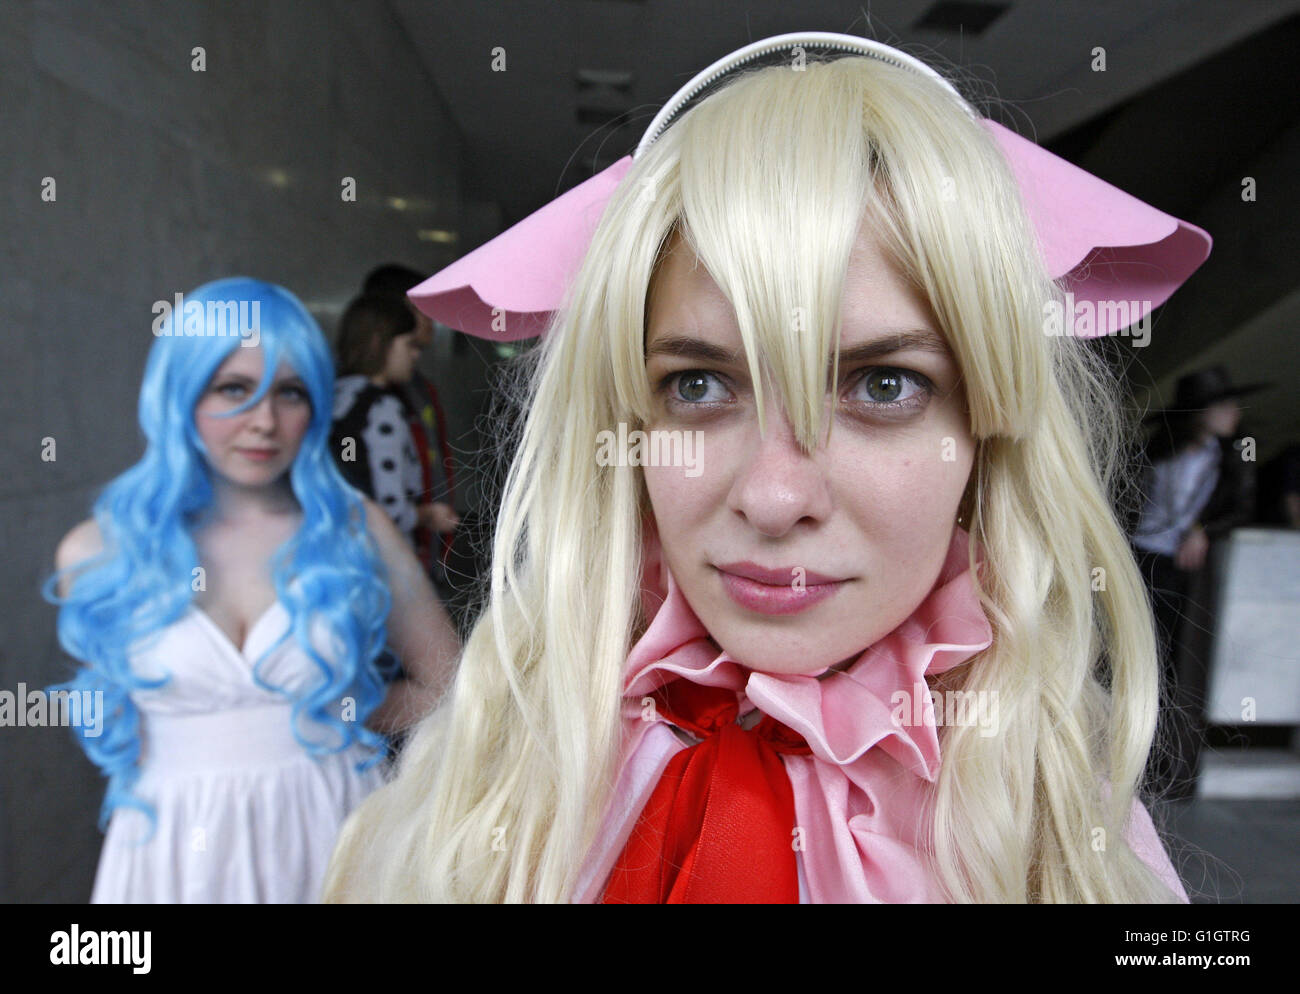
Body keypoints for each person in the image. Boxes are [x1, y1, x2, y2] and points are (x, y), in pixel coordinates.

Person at [324, 34, 1213, 903]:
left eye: (884, 383)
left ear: (987, 428)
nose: (775, 496)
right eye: (699, 383)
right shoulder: (485, 789)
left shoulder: (1060, 825)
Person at [46, 278, 459, 903]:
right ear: (180, 394)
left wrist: (333, 707)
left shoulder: (355, 530)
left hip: (335, 827)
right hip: (173, 851)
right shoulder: (97, 553)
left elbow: (449, 687)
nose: (264, 421)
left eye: (289, 392)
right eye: (233, 389)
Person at [1131, 364, 1268, 798]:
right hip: (1136, 556)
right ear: (1198, 413)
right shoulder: (1158, 452)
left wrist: (1203, 528)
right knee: (1127, 656)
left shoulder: (1231, 459)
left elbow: (1242, 507)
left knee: (1170, 664)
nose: (1231, 413)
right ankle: (1115, 756)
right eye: (1220, 405)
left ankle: (1158, 766)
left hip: (1178, 567)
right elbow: (1127, 498)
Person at [361, 264, 461, 600]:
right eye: (422, 308)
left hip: (423, 554)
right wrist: (422, 517)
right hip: (389, 565)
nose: (431, 319)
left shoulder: (418, 387)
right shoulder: (370, 400)